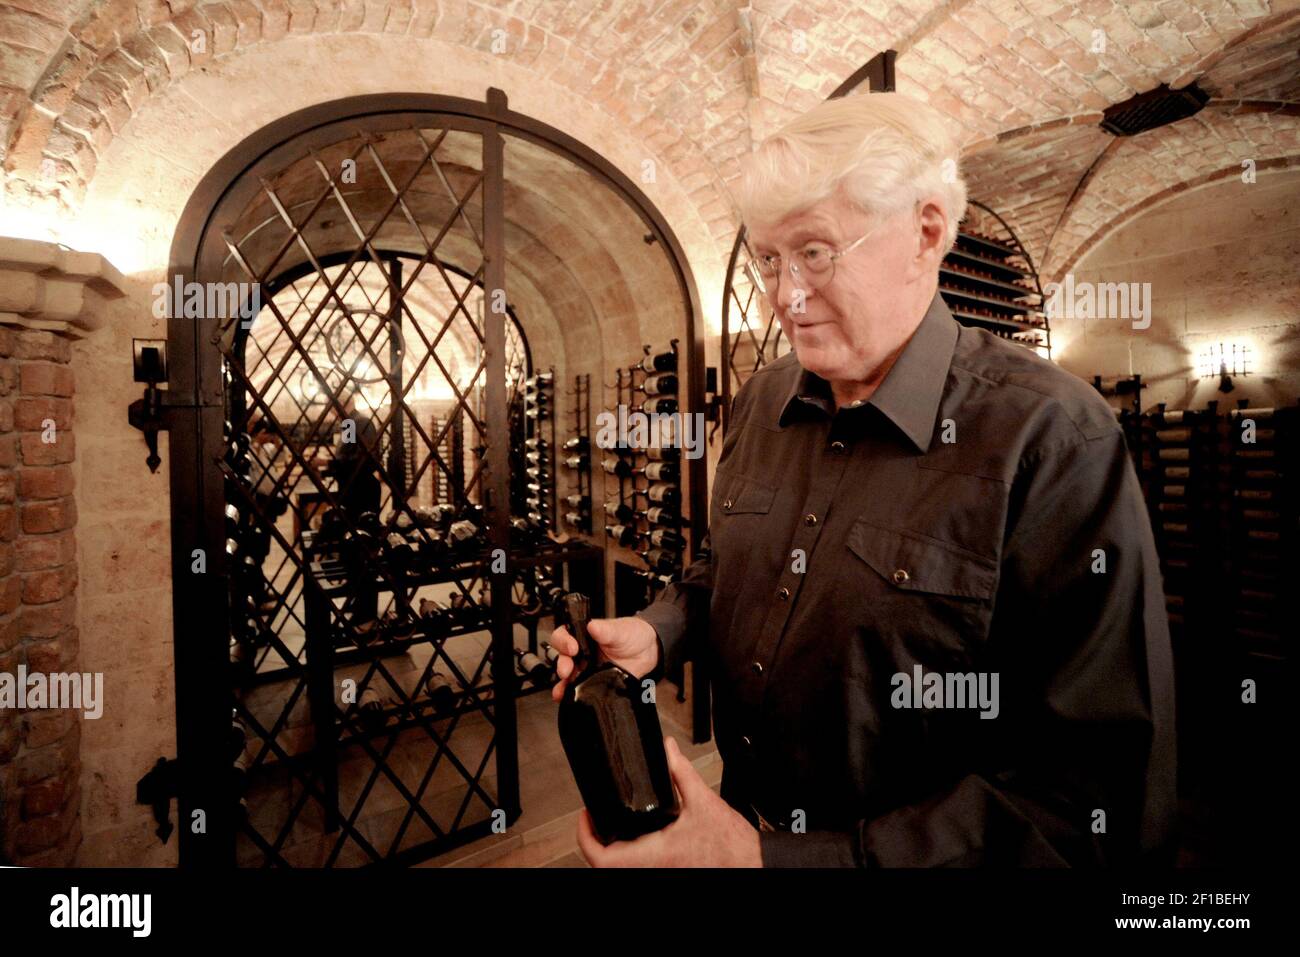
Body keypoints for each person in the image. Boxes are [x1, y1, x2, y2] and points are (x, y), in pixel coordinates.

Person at [550, 92, 1176, 867]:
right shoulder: (763, 401)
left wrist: (771, 862)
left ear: (926, 232)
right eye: (768, 261)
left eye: (815, 252)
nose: (785, 296)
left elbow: (1087, 804)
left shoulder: (1051, 440)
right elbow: (727, 569)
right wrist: (659, 630)